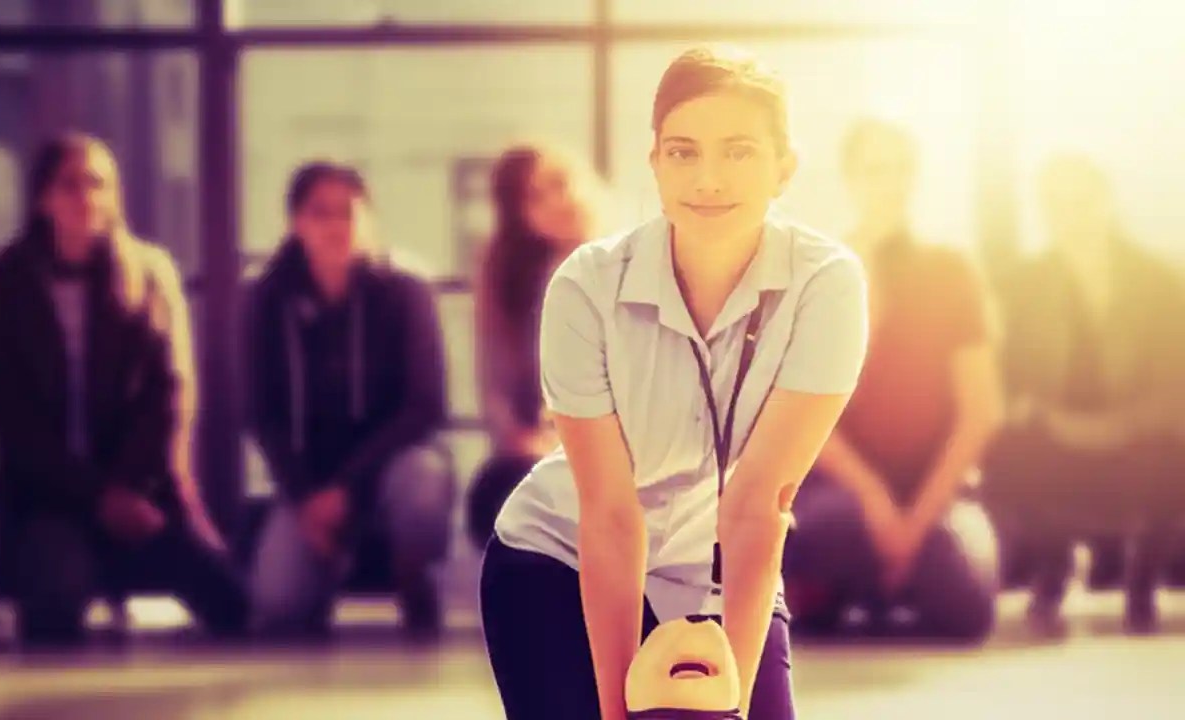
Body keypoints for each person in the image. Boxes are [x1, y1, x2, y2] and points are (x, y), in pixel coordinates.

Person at [481, 46, 869, 720]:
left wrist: (735, 708)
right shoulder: (586, 286)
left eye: (739, 152)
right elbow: (608, 515)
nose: (709, 179)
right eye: (684, 152)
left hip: (718, 572)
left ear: (784, 168)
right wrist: (616, 712)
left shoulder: (826, 285)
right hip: (561, 555)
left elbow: (758, 504)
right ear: (656, 163)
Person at [0, 133, 246, 644]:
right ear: (42, 198)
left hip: (140, 488)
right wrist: (97, 497)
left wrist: (129, 488)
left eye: (98, 184)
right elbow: (9, 418)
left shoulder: (149, 272)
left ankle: (117, 566)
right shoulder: (4, 285)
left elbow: (171, 396)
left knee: (235, 603)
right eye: (69, 184)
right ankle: (85, 570)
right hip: (48, 496)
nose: (85, 197)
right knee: (54, 609)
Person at [781, 119, 1003, 642]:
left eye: (903, 169)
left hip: (934, 493)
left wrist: (915, 523)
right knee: (826, 531)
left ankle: (872, 584)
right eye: (878, 170)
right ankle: (854, 584)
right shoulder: (817, 270)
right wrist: (877, 506)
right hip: (841, 494)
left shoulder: (951, 269)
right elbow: (803, 410)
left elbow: (982, 410)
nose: (892, 182)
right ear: (852, 179)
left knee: (967, 604)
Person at [248, 162, 454, 639]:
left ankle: (415, 579)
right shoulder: (266, 299)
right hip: (311, 483)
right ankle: (322, 572)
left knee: (423, 482)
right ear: (295, 223)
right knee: (278, 607)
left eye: (349, 211)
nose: (337, 225)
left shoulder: (406, 290)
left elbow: (426, 406)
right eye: (320, 212)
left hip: (392, 466)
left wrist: (347, 488)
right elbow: (263, 416)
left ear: (370, 218)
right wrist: (304, 499)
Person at [983, 153, 1185, 636]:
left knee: (1172, 455)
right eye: (1057, 206)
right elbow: (1009, 380)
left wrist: (1103, 428)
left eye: (1082, 202)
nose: (1071, 217)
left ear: (1106, 202)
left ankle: (1143, 580)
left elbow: (1173, 393)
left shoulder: (1159, 281)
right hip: (1055, 438)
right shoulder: (1027, 284)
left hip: (1141, 440)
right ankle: (1053, 568)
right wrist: (1033, 413)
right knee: (1005, 454)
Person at [466, 143, 604, 548]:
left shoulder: (637, 257)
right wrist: (525, 438)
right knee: (498, 498)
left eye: (560, 184)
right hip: (543, 449)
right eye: (535, 197)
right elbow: (496, 387)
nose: (556, 203)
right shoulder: (519, 276)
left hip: (623, 452)